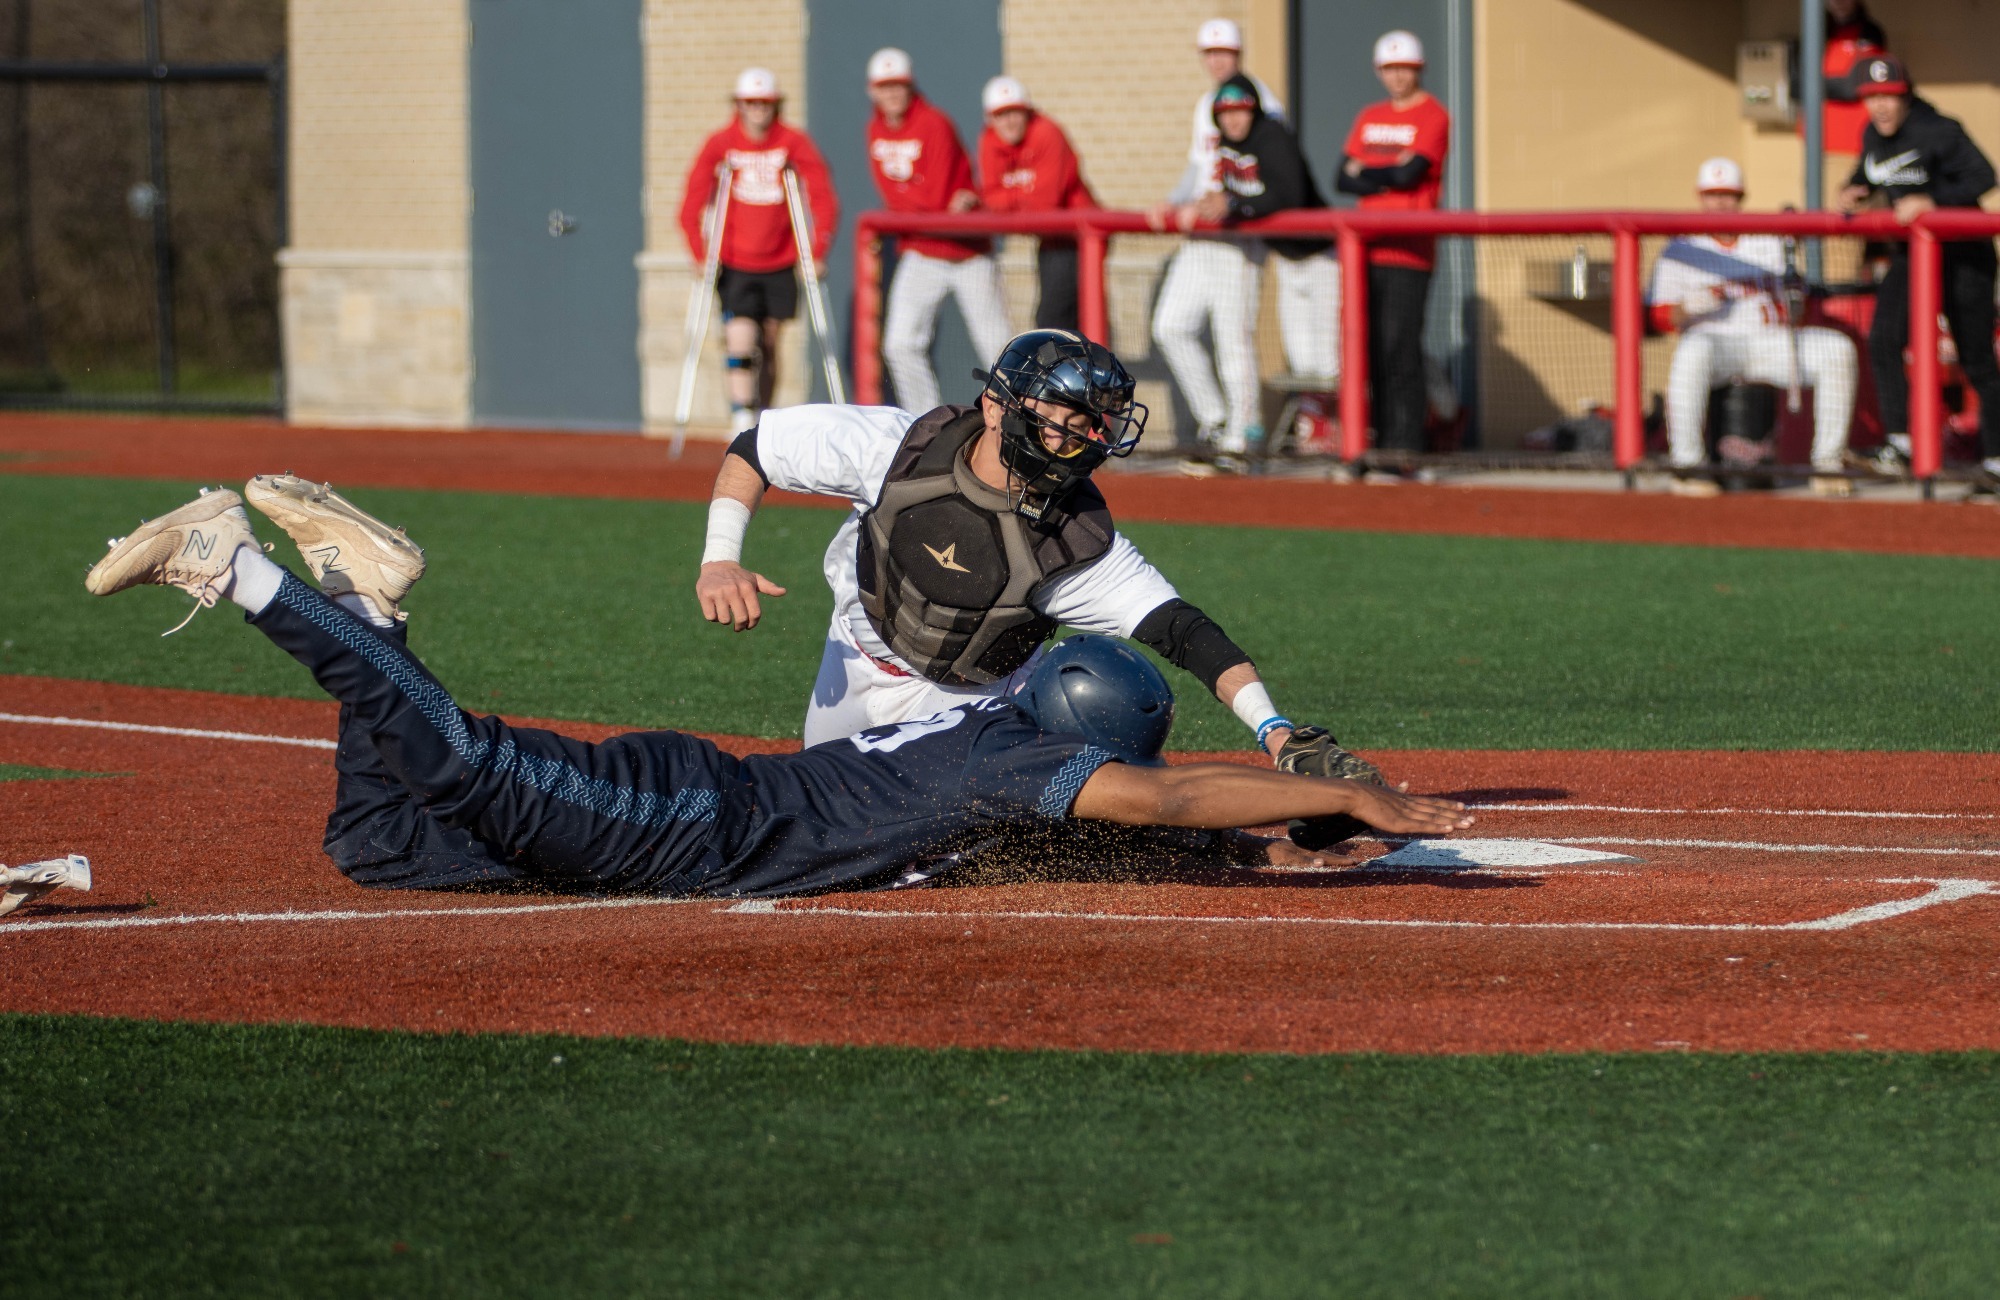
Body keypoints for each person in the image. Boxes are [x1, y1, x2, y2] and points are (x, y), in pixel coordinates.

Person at [78, 484, 1473, 900]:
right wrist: (1347, 789)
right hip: (682, 822)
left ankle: (373, 603)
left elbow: (1170, 825)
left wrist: (1281, 839)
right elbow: (1167, 792)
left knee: (381, 843)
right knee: (468, 766)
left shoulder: (993, 757)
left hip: (695, 815)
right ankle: (248, 575)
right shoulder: (995, 768)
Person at [693, 329, 1392, 821]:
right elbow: (758, 448)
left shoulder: (1076, 538)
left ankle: (1245, 827)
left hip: (976, 704)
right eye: (1070, 418)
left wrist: (1275, 730)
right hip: (857, 658)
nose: (1088, 437)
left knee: (1096, 704)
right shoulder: (898, 449)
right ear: (997, 408)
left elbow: (1183, 631)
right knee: (822, 823)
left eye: (1098, 423)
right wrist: (720, 557)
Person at [1645, 158, 1859, 498]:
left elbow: (1795, 306)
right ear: (1700, 197)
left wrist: (1794, 301)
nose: (1720, 203)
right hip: (1716, 344)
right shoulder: (1680, 247)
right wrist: (1687, 308)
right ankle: (1688, 468)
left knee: (1837, 348)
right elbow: (1657, 319)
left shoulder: (1768, 237)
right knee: (1690, 354)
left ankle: (1828, 465)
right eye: (1713, 195)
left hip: (1769, 342)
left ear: (1741, 197)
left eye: (1728, 195)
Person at [1836, 53, 2000, 487]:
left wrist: (1934, 202)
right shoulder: (1873, 133)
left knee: (1977, 360)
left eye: (1889, 96)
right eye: (1872, 97)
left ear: (1905, 95)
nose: (1880, 106)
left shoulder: (1939, 129)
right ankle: (1900, 445)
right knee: (1885, 338)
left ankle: (1998, 460)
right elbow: (1870, 174)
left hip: (1964, 257)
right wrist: (1853, 190)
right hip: (1913, 256)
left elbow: (1985, 177)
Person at [1150, 17, 1285, 465]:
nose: (1216, 60)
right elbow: (1197, 167)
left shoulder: (1262, 98)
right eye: (1210, 53)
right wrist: (1171, 202)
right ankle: (1216, 419)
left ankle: (1243, 436)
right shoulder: (1207, 101)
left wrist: (1229, 197)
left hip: (1239, 238)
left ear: (1239, 53)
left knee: (1234, 340)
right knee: (1170, 326)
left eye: (1223, 52)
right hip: (1201, 238)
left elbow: (1271, 166)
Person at [679, 68, 839, 434]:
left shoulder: (793, 142)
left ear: (776, 105)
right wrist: (700, 254)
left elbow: (823, 196)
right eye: (751, 103)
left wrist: (818, 250)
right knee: (740, 335)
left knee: (769, 342)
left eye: (765, 103)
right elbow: (691, 204)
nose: (758, 110)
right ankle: (741, 414)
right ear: (739, 105)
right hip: (735, 262)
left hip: (780, 261)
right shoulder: (721, 144)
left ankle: (763, 418)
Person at [864, 47, 1013, 413]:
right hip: (922, 252)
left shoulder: (934, 123)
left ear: (911, 85)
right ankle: (926, 425)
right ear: (872, 91)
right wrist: (911, 203)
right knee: (900, 344)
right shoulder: (875, 130)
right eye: (885, 87)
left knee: (999, 348)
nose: (892, 94)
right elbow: (895, 194)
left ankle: (1020, 423)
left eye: (898, 85)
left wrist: (908, 201)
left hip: (966, 252)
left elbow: (934, 197)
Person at [1335, 30, 1451, 458]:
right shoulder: (1370, 114)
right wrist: (1391, 168)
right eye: (1390, 68)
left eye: (1406, 68)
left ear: (1418, 70)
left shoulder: (1433, 115)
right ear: (1379, 71)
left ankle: (1406, 448)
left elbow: (1410, 175)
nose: (1398, 76)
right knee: (1370, 350)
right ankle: (1380, 444)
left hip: (1409, 251)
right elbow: (1340, 178)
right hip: (1366, 249)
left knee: (1400, 348)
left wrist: (1368, 169)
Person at [1196, 73, 1340, 398]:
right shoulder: (1227, 145)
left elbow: (1289, 195)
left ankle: (1345, 438)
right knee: (1302, 361)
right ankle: (1313, 437)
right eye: (1225, 112)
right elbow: (1231, 193)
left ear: (1254, 110)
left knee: (1330, 362)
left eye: (1241, 110)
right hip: (1287, 260)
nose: (1233, 119)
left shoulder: (1273, 136)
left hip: (1323, 257)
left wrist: (1232, 202)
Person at [976, 75, 1098, 333]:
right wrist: (1022, 197)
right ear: (990, 119)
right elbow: (990, 197)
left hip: (1080, 237)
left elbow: (1046, 203)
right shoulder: (989, 141)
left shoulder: (1046, 132)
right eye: (1001, 114)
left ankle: (1071, 372)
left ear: (1027, 112)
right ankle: (1069, 372)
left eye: (1015, 112)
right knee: (1060, 323)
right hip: (1049, 240)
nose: (1009, 121)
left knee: (1054, 321)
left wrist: (1009, 197)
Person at [1818, 0, 1889, 157]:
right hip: (1817, 142)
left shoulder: (1869, 33)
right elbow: (1796, 85)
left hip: (1852, 143)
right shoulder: (1818, 33)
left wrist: (1814, 85)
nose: (1838, 2)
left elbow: (1852, 87)